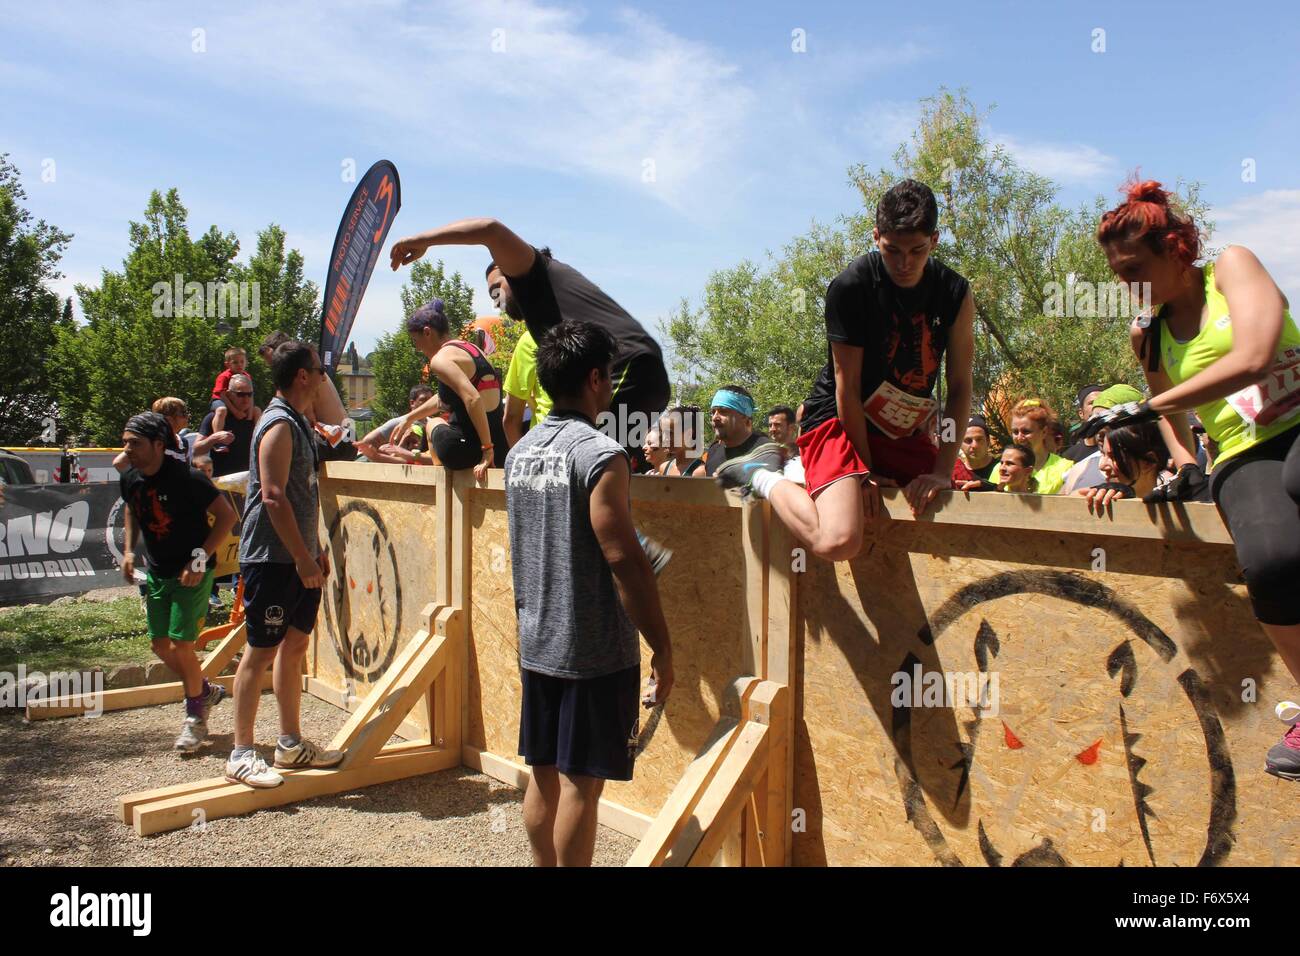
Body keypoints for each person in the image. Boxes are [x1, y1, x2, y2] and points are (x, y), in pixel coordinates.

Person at [1087, 178, 1300, 780]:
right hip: (1241, 450)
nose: (1127, 285)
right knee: (1272, 559)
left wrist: (1148, 412)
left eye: (1134, 269)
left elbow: (1255, 355)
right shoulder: (1147, 332)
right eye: (1117, 275)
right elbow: (1172, 409)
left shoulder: (1233, 268)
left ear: (1177, 249)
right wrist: (1183, 463)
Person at [711, 179, 976, 561]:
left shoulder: (955, 292)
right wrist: (865, 471)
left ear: (934, 241)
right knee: (838, 541)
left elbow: (960, 386)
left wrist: (942, 469)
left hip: (897, 426)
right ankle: (762, 476)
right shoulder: (851, 287)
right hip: (837, 418)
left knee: (962, 497)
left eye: (917, 251)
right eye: (891, 251)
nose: (904, 264)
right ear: (876, 237)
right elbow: (846, 388)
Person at [504, 319, 674, 866]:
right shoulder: (600, 455)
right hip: (592, 651)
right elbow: (623, 558)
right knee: (582, 784)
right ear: (597, 378)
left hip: (538, 641)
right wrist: (662, 648)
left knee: (544, 771)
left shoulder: (521, 452)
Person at [390, 226, 670, 470]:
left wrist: (421, 240)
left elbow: (489, 229)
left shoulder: (536, 274)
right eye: (492, 297)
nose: (497, 301)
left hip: (627, 369)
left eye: (498, 288)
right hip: (644, 379)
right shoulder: (543, 321)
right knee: (602, 473)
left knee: (578, 468)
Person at [226, 341, 342, 788]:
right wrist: (300, 557)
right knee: (260, 652)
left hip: (297, 556)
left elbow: (299, 494)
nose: (323, 376)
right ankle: (240, 753)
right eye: (319, 370)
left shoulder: (297, 420)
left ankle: (289, 745)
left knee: (294, 647)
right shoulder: (277, 423)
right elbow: (273, 497)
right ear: (302, 377)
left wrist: (313, 549)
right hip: (273, 559)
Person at [119, 412, 238, 752]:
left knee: (183, 645)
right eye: (125, 442)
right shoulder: (131, 478)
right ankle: (204, 690)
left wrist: (199, 558)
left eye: (135, 443)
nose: (128, 449)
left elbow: (228, 517)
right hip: (159, 572)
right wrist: (128, 550)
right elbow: (131, 508)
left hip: (194, 572)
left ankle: (195, 719)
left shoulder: (188, 478)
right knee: (159, 645)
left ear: (158, 445)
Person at [390, 300, 508, 480]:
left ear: (427, 332)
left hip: (469, 451)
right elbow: (444, 398)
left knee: (431, 424)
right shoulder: (471, 349)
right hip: (501, 447)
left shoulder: (440, 360)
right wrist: (409, 417)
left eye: (416, 341)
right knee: (435, 420)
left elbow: (472, 399)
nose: (417, 348)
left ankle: (442, 486)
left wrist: (486, 450)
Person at [258, 331, 356, 461]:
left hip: (337, 441)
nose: (274, 368)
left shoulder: (304, 380)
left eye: (273, 362)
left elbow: (310, 420)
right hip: (346, 436)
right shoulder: (313, 370)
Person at [1075, 421, 1166, 513]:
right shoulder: (1102, 496)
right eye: (1103, 454)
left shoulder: (1174, 503)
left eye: (1114, 456)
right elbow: (1072, 498)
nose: (1102, 466)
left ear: (1148, 462)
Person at [702, 386, 773, 476]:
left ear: (744, 416)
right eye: (713, 412)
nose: (715, 417)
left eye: (723, 411)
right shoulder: (713, 451)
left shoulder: (766, 452)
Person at [200, 373, 260, 478]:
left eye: (249, 394)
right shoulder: (215, 417)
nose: (246, 399)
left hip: (250, 482)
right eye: (240, 395)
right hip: (222, 482)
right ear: (229, 394)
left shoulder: (256, 417)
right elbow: (196, 450)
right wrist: (214, 439)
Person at [1008, 398, 1073, 495]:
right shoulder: (1000, 468)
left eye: (1026, 431)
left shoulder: (1065, 468)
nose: (1020, 437)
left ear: (1044, 432)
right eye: (1015, 432)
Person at [356, 384, 437, 463]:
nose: (429, 403)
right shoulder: (398, 423)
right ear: (412, 403)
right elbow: (367, 442)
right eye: (423, 400)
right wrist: (388, 455)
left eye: (431, 400)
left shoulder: (433, 424)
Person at [502, 327, 554, 449]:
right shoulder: (604, 325)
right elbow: (511, 419)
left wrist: (522, 463)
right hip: (602, 446)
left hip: (547, 452)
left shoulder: (533, 336)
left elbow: (511, 418)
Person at [1062, 383, 1105, 461]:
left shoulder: (1117, 446)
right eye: (1091, 403)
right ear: (1081, 413)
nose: (1097, 405)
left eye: (1101, 401)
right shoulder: (1070, 457)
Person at [952, 414, 998, 485]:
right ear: (959, 444)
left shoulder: (1001, 469)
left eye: (979, 439)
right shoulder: (954, 472)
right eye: (968, 440)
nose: (974, 445)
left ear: (988, 441)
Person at [210, 347, 253, 411]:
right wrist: (236, 412)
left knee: (256, 410)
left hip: (238, 401)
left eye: (242, 362)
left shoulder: (247, 376)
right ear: (227, 364)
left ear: (246, 363)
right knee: (221, 410)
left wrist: (249, 415)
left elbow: (250, 394)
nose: (239, 365)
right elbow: (222, 396)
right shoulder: (224, 376)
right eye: (235, 362)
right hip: (221, 400)